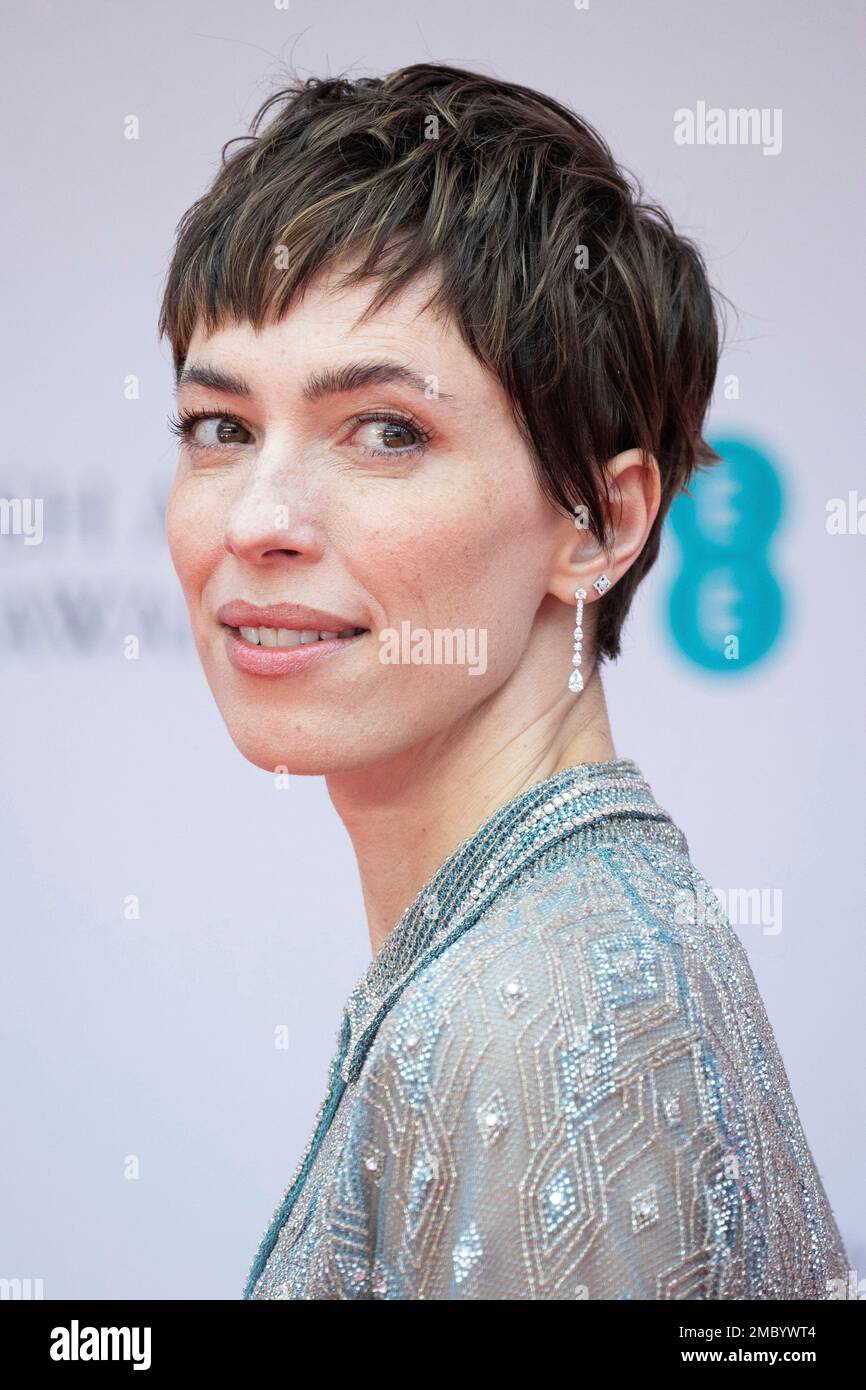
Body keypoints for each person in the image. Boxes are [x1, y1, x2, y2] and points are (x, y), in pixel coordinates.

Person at [158, 63, 850, 1299]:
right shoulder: (557, 948)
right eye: (221, 427)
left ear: (598, 520)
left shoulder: (556, 1032)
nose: (258, 519)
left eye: (386, 430)